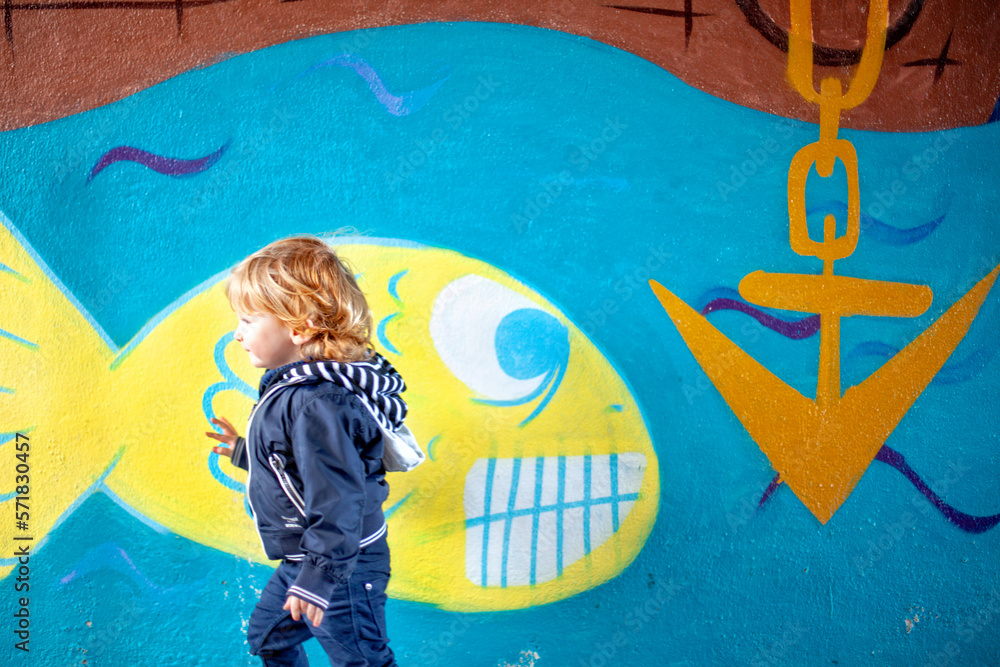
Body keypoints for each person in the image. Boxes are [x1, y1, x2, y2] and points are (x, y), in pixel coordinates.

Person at [206, 235, 404, 667]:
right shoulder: (296, 390)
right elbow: (293, 465)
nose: (238, 335)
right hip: (307, 560)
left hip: (338, 569)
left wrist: (320, 577)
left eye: (248, 320)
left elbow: (338, 498)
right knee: (267, 638)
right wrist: (243, 451)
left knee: (362, 660)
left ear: (298, 326)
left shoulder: (316, 403)